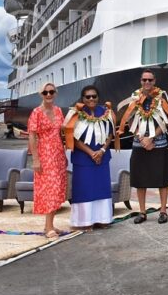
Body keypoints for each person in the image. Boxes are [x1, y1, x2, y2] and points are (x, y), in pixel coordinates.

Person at [118, 69, 168, 224]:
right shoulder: (135, 97)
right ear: (141, 81)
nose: (147, 83)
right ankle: (142, 212)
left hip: (159, 143)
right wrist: (142, 138)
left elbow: (166, 120)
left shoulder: (162, 96)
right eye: (144, 80)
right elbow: (129, 121)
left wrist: (152, 137)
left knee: (162, 179)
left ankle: (163, 211)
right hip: (139, 144)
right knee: (140, 179)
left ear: (154, 81)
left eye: (150, 80)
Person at [63, 85, 115, 230]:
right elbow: (73, 137)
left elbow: (111, 133)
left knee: (101, 188)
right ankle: (84, 222)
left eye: (94, 96)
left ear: (98, 97)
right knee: (84, 189)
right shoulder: (76, 114)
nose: (91, 99)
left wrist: (102, 150)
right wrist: (91, 153)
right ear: (83, 98)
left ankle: (102, 219)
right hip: (83, 158)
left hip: (102, 158)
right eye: (88, 97)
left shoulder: (105, 112)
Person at [27, 82, 67, 238]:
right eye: (45, 92)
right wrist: (35, 159)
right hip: (45, 154)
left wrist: (64, 155)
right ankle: (49, 226)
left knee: (57, 189)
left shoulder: (58, 111)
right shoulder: (36, 112)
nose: (48, 95)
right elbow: (32, 136)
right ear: (41, 94)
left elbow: (62, 133)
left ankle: (48, 225)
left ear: (55, 93)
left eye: (51, 92)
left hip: (57, 154)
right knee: (50, 189)